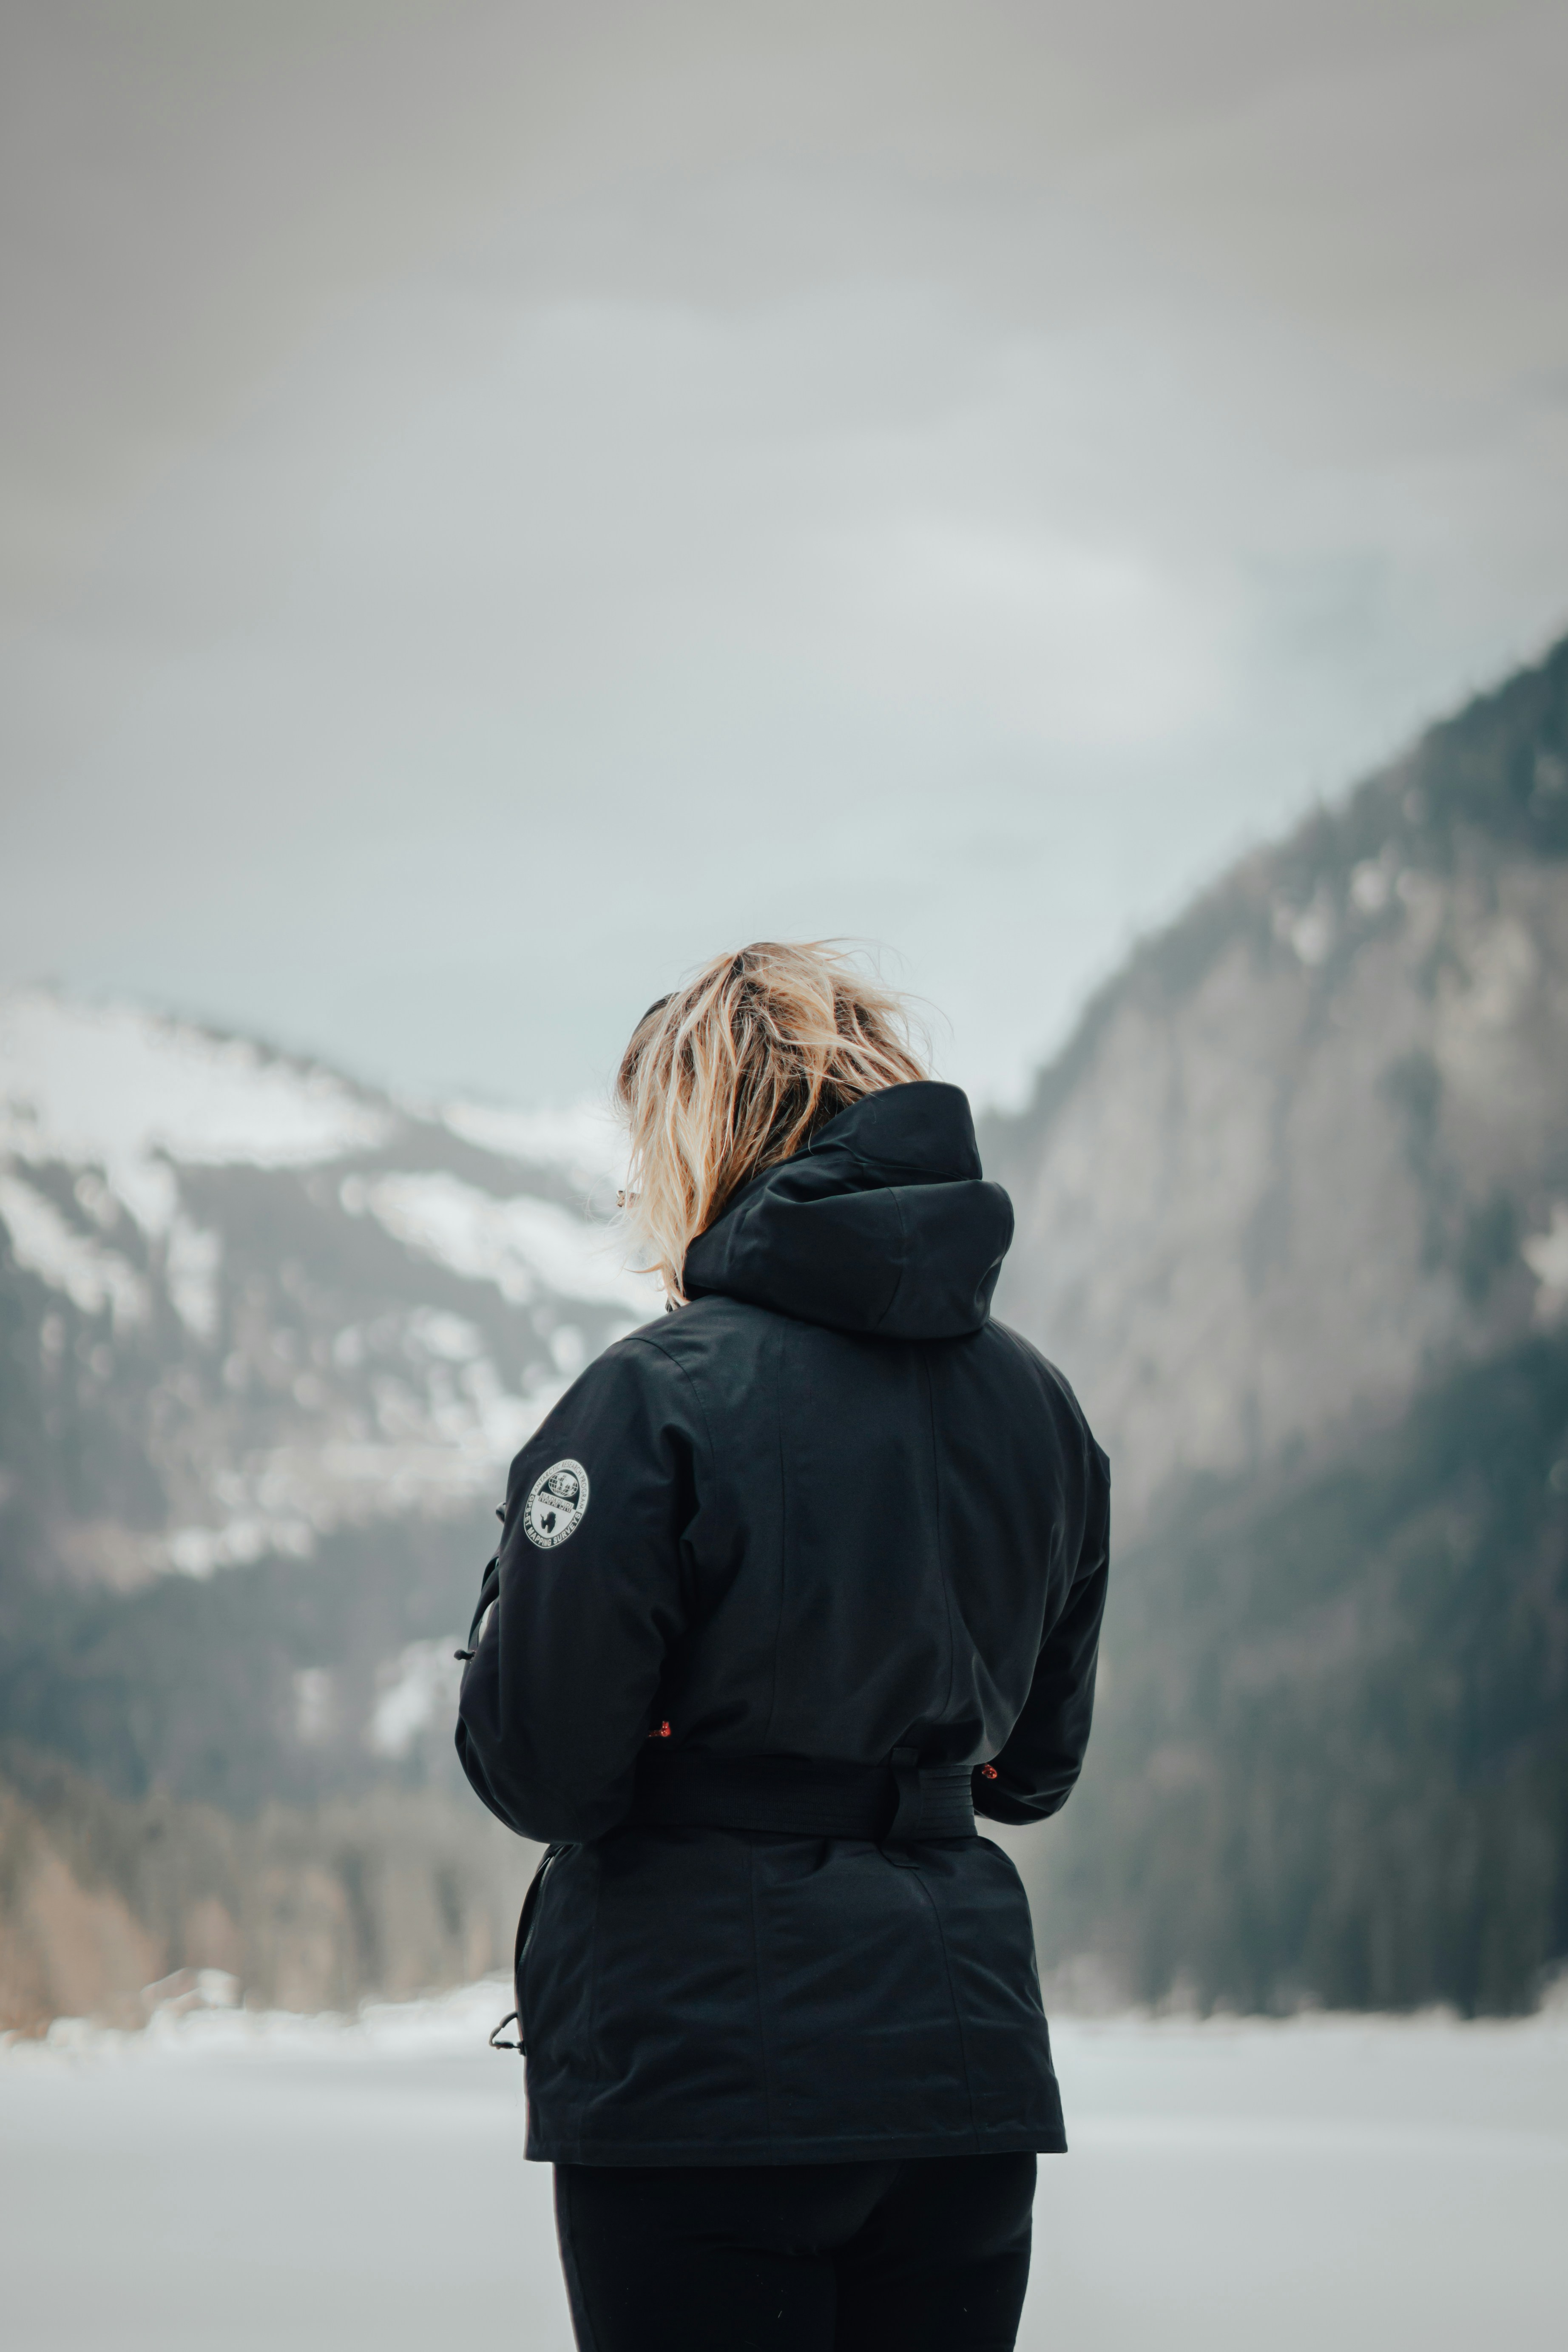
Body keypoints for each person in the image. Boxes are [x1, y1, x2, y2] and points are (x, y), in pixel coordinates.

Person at [455, 941, 1110, 2352]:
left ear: (704, 1128)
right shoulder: (1041, 1410)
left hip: (703, 2087)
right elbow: (1036, 1766)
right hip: (958, 2081)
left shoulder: (652, 1401)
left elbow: (545, 1769)